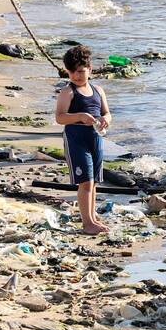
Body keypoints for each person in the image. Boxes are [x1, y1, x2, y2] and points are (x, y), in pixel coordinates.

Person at [54, 45, 112, 236]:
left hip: (95, 138)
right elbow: (60, 117)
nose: (76, 76)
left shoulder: (98, 90)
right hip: (76, 139)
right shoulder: (68, 92)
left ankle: (92, 217)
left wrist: (106, 120)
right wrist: (80, 116)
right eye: (72, 72)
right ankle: (87, 223)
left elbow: (107, 113)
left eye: (80, 71)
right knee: (85, 182)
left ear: (90, 69)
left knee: (93, 182)